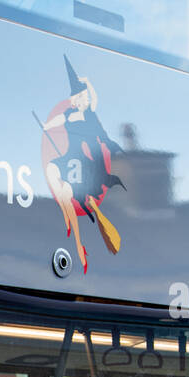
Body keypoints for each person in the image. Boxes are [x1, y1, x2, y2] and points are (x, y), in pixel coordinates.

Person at [41, 55, 125, 273]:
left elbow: (95, 99)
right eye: (77, 97)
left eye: (82, 96)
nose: (80, 100)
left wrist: (88, 82)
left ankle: (78, 242)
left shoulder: (91, 115)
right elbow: (59, 121)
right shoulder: (70, 114)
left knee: (70, 189)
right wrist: (47, 125)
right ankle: (71, 228)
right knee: (52, 170)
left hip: (88, 167)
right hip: (70, 160)